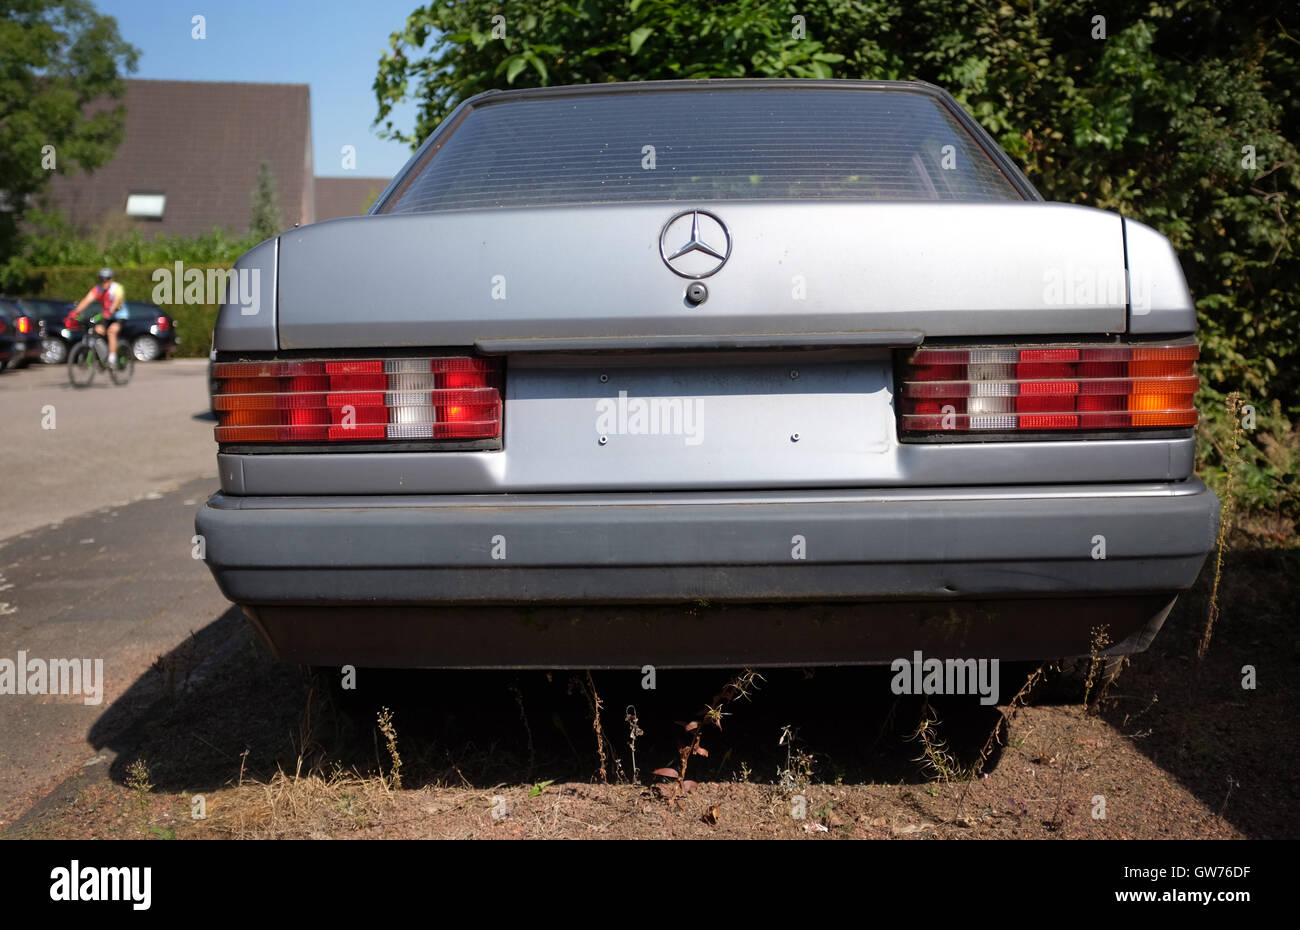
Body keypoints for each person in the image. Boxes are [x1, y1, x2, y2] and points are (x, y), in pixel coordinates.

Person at [71, 268, 126, 367]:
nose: (104, 282)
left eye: (106, 280)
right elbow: (86, 301)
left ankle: (112, 359)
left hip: (119, 315)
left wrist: (111, 310)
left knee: (111, 331)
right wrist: (75, 312)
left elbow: (116, 301)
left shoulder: (117, 288)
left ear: (111, 280)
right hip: (106, 315)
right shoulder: (98, 289)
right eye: (102, 280)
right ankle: (103, 355)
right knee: (97, 330)